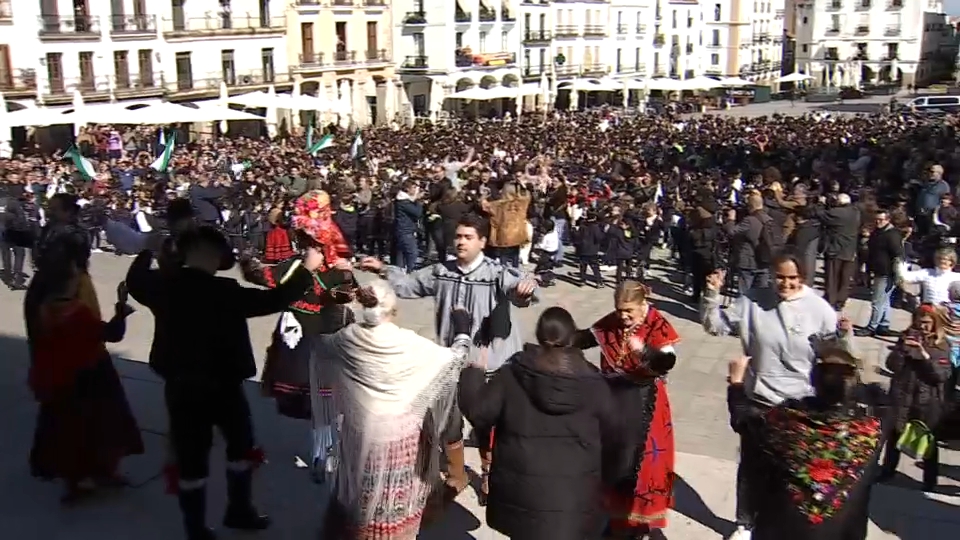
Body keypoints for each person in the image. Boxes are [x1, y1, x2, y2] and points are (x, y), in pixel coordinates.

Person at [125, 225, 323, 540]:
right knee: (238, 447)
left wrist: (148, 249)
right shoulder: (224, 292)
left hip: (182, 386)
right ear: (208, 252)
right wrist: (306, 268)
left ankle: (201, 526)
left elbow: (135, 280)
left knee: (195, 456)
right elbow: (276, 299)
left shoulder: (163, 285)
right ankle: (237, 510)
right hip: (223, 387)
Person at [359, 212, 538, 504]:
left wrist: (523, 291)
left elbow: (520, 289)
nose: (461, 242)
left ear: (482, 241)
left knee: (487, 424)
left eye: (468, 237)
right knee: (447, 419)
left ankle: (490, 473)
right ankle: (457, 474)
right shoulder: (441, 271)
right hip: (451, 359)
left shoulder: (495, 272)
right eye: (458, 236)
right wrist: (382, 269)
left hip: (488, 364)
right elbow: (407, 286)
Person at [700, 252, 855, 540]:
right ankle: (745, 523)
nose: (785, 284)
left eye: (792, 278)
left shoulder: (819, 309)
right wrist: (711, 294)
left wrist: (845, 335)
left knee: (791, 471)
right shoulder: (753, 301)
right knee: (752, 465)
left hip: (799, 404)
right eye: (780, 277)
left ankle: (786, 521)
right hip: (760, 399)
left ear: (804, 278)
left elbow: (838, 357)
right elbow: (715, 325)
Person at [316, 282, 474, 539]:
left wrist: (334, 308)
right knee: (395, 504)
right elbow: (454, 360)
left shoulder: (345, 339)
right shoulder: (410, 345)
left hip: (359, 436)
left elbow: (321, 347)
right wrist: (463, 330)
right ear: (395, 310)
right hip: (402, 444)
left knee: (359, 500)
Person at [459, 306, 618, 540]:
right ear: (572, 336)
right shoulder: (595, 383)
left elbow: (478, 411)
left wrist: (474, 372)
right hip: (575, 498)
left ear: (539, 335)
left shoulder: (513, 373)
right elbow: (615, 434)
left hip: (522, 496)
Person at [240, 190, 356, 478]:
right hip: (298, 344)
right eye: (304, 239)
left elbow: (344, 298)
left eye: (308, 238)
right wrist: (248, 261)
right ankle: (323, 457)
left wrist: (342, 279)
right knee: (318, 406)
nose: (304, 243)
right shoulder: (294, 264)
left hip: (323, 343)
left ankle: (326, 456)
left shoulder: (337, 269)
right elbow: (264, 277)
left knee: (326, 404)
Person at [726, 337, 883, 540]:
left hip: (782, 528)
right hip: (841, 532)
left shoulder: (786, 422)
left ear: (813, 380)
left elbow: (743, 420)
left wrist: (736, 383)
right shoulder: (872, 429)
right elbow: (884, 398)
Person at [573, 281, 679, 539]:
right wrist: (559, 335)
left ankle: (641, 522)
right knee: (611, 462)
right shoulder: (614, 321)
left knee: (642, 466)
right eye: (619, 310)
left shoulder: (657, 325)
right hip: (613, 401)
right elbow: (587, 337)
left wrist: (643, 351)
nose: (623, 316)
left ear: (643, 305)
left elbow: (668, 361)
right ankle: (615, 518)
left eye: (628, 310)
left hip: (646, 405)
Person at [27, 270, 142, 504]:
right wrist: (122, 307)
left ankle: (76, 479)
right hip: (90, 376)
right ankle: (98, 473)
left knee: (69, 431)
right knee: (101, 427)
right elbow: (112, 334)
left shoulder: (45, 309)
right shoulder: (76, 313)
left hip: (62, 379)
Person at [876, 304, 953, 492]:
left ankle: (929, 480)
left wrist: (925, 357)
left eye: (927, 323)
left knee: (928, 441)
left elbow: (940, 376)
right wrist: (902, 350)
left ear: (935, 324)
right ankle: (888, 470)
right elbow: (892, 365)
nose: (923, 327)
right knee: (894, 435)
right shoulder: (905, 338)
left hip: (927, 401)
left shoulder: (941, 345)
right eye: (920, 322)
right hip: (903, 396)